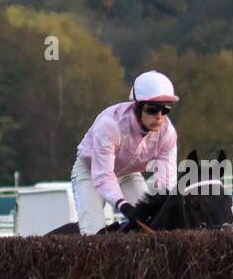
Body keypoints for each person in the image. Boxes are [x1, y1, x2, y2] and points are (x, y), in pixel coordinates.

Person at [71, 71, 179, 235]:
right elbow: (103, 175)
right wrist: (123, 205)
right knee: (94, 233)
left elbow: (165, 184)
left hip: (129, 174)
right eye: (152, 109)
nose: (159, 116)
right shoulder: (110, 125)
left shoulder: (168, 134)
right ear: (137, 106)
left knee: (150, 223)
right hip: (91, 172)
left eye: (165, 109)